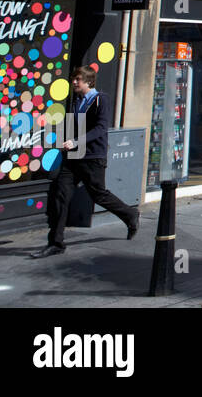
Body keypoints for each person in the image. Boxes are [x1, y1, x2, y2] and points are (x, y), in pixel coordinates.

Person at [32, 65, 138, 258]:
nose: (74, 82)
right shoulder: (76, 101)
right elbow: (72, 126)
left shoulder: (100, 100)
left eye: (77, 79)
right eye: (73, 78)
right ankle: (56, 243)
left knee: (99, 195)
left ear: (88, 81)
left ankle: (130, 214)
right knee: (60, 196)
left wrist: (76, 141)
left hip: (92, 157)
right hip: (72, 157)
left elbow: (100, 128)